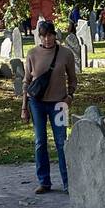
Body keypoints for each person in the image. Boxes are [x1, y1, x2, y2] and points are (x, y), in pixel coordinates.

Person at [21, 20, 77, 194]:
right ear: (39, 37)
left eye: (50, 35)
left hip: (59, 103)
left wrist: (70, 96)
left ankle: (68, 182)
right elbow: (26, 82)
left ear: (55, 35)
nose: (47, 39)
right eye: (43, 36)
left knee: (62, 143)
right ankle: (44, 181)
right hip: (37, 103)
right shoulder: (32, 54)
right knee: (40, 142)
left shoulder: (66, 54)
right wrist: (24, 107)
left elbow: (72, 78)